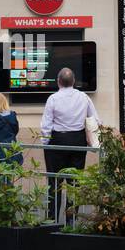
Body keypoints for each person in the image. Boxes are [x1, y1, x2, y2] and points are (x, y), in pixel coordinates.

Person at [41, 67, 98, 220]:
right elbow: (95, 120)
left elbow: (46, 126)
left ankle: (52, 219)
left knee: (54, 181)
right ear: (73, 81)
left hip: (56, 142)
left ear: (58, 82)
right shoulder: (84, 97)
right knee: (75, 183)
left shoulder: (52, 99)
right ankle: (71, 220)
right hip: (77, 142)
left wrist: (45, 143)